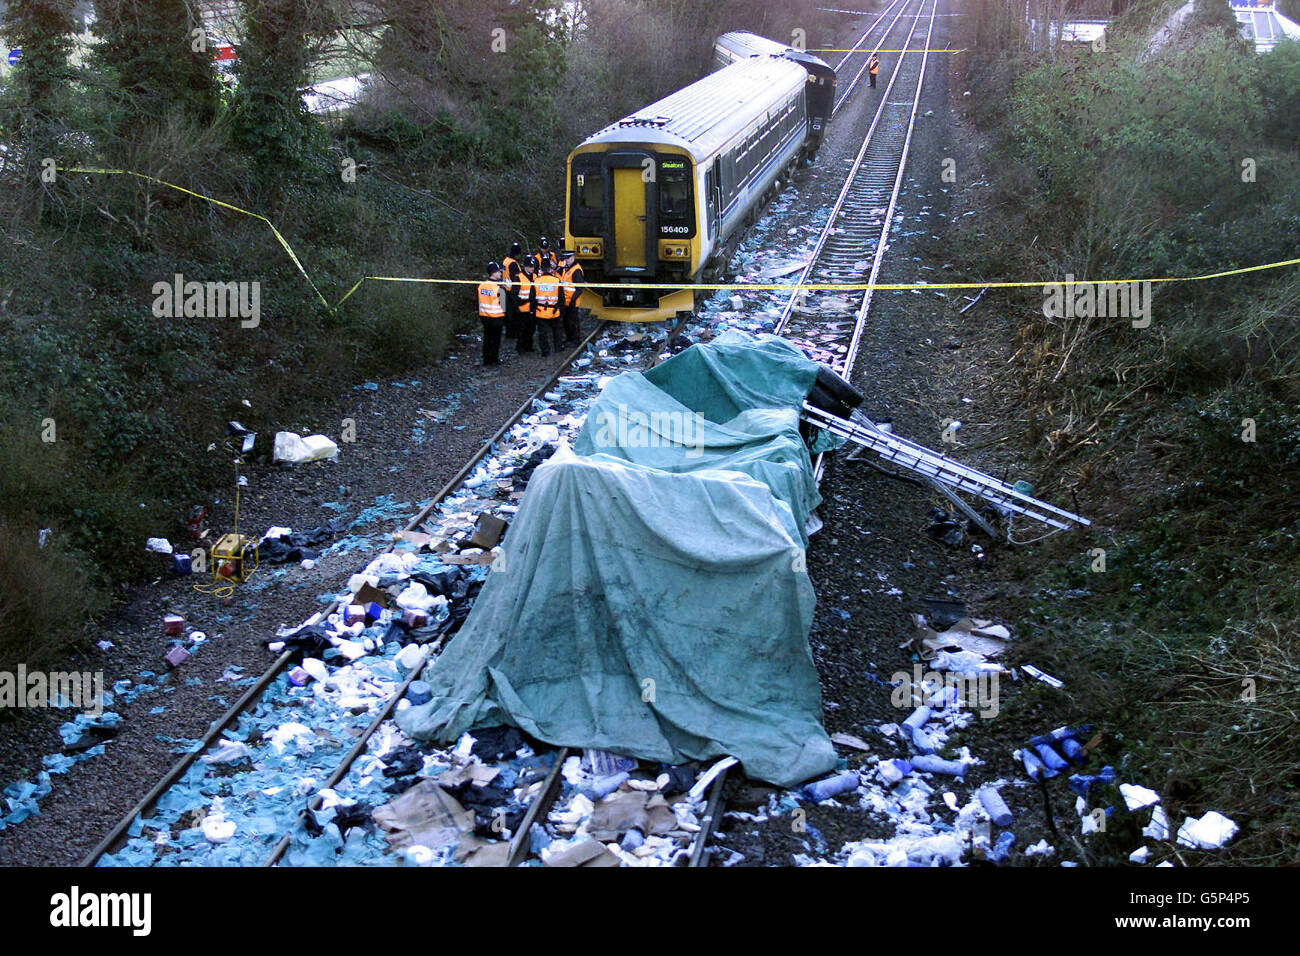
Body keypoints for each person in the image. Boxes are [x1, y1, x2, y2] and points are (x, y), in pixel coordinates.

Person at [532, 259, 564, 357]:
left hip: (540, 311)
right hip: (554, 311)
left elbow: (532, 298)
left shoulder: (536, 281)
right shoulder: (556, 281)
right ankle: (558, 348)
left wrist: (533, 311)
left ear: (541, 269)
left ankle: (545, 351)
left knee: (543, 333)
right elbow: (561, 298)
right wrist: (562, 310)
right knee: (557, 331)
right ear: (550, 269)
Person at [477, 262, 507, 367]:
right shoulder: (499, 288)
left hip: (484, 316)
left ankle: (486, 360)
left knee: (487, 338)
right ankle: (494, 360)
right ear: (493, 273)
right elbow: (503, 305)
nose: (501, 273)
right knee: (496, 340)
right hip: (497, 317)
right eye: (499, 271)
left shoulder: (482, 286)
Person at [558, 248, 586, 347]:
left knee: (573, 322)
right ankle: (569, 339)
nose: (566, 260)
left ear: (573, 257)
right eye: (565, 258)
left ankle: (575, 340)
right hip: (566, 301)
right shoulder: (568, 268)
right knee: (567, 322)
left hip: (572, 301)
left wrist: (573, 300)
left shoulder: (576, 270)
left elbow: (579, 288)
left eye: (568, 258)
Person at [501, 241, 523, 340]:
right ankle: (512, 334)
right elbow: (516, 279)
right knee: (513, 314)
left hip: (504, 290)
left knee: (507, 313)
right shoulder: (513, 264)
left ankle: (509, 333)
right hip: (511, 291)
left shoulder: (505, 260)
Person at [515, 257, 537, 353]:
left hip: (533, 308)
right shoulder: (518, 277)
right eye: (530, 266)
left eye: (533, 266)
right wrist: (518, 305)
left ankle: (529, 346)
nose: (532, 268)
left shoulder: (535, 276)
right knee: (521, 330)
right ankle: (520, 347)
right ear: (525, 267)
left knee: (531, 328)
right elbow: (514, 294)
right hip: (522, 308)